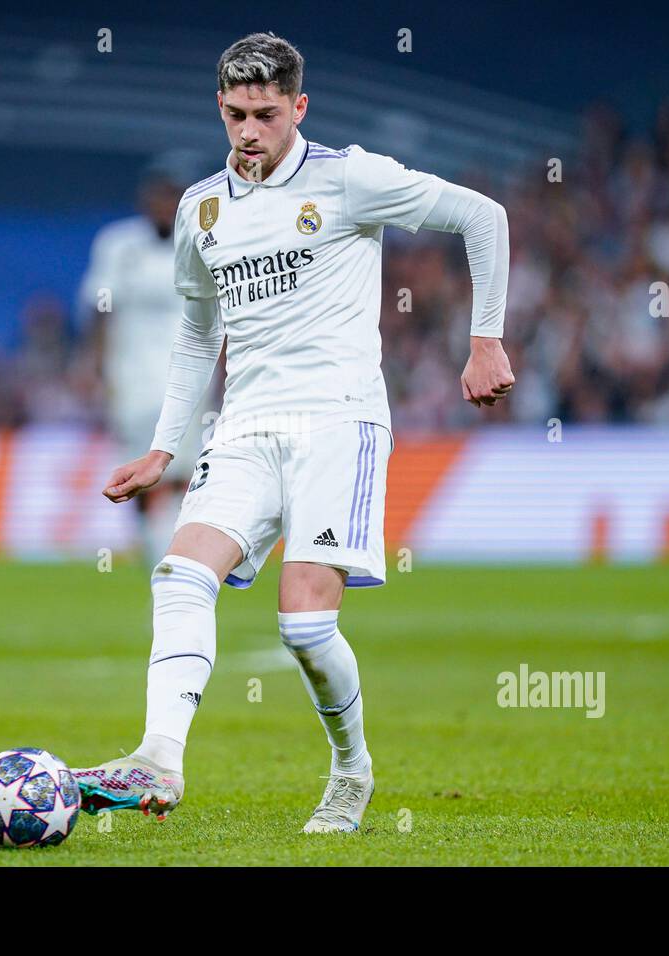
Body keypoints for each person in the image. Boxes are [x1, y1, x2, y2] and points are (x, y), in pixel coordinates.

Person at [73, 31, 513, 833]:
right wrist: (165, 449)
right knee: (178, 575)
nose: (249, 132)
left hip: (338, 420)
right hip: (242, 426)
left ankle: (352, 770)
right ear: (220, 107)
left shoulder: (350, 180)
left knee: (305, 625)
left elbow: (483, 216)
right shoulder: (201, 209)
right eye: (236, 114)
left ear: (298, 107)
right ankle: (157, 758)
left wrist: (484, 339)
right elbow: (198, 336)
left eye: (266, 114)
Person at [77, 155, 213, 562]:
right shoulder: (118, 244)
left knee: (183, 466)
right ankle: (154, 543)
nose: (164, 203)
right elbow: (100, 307)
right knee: (137, 468)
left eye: (173, 195)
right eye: (159, 193)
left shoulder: (205, 242)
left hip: (189, 373)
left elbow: (220, 313)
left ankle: (175, 552)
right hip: (131, 378)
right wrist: (96, 365)